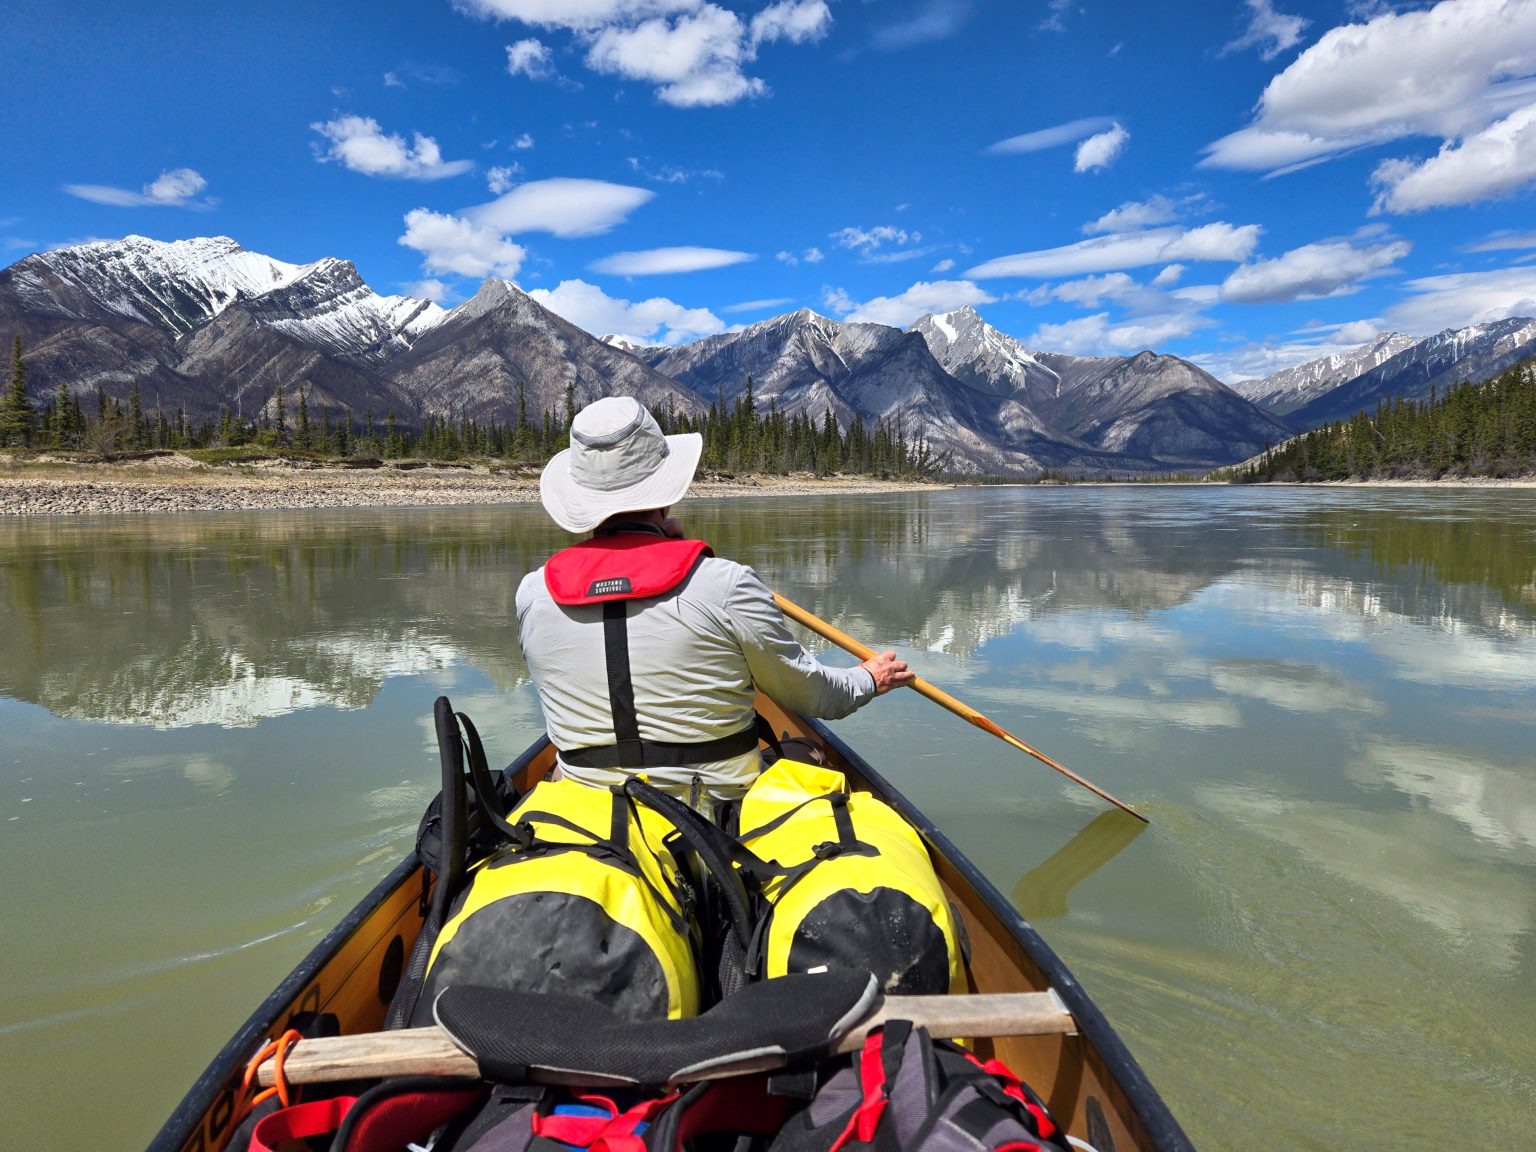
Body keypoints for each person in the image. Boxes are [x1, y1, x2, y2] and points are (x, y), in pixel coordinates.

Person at [516, 395, 914, 804]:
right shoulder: (725, 584)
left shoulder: (533, 593)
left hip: (591, 806)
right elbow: (813, 697)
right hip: (715, 809)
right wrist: (868, 678)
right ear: (665, 493)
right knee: (805, 751)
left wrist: (666, 554)